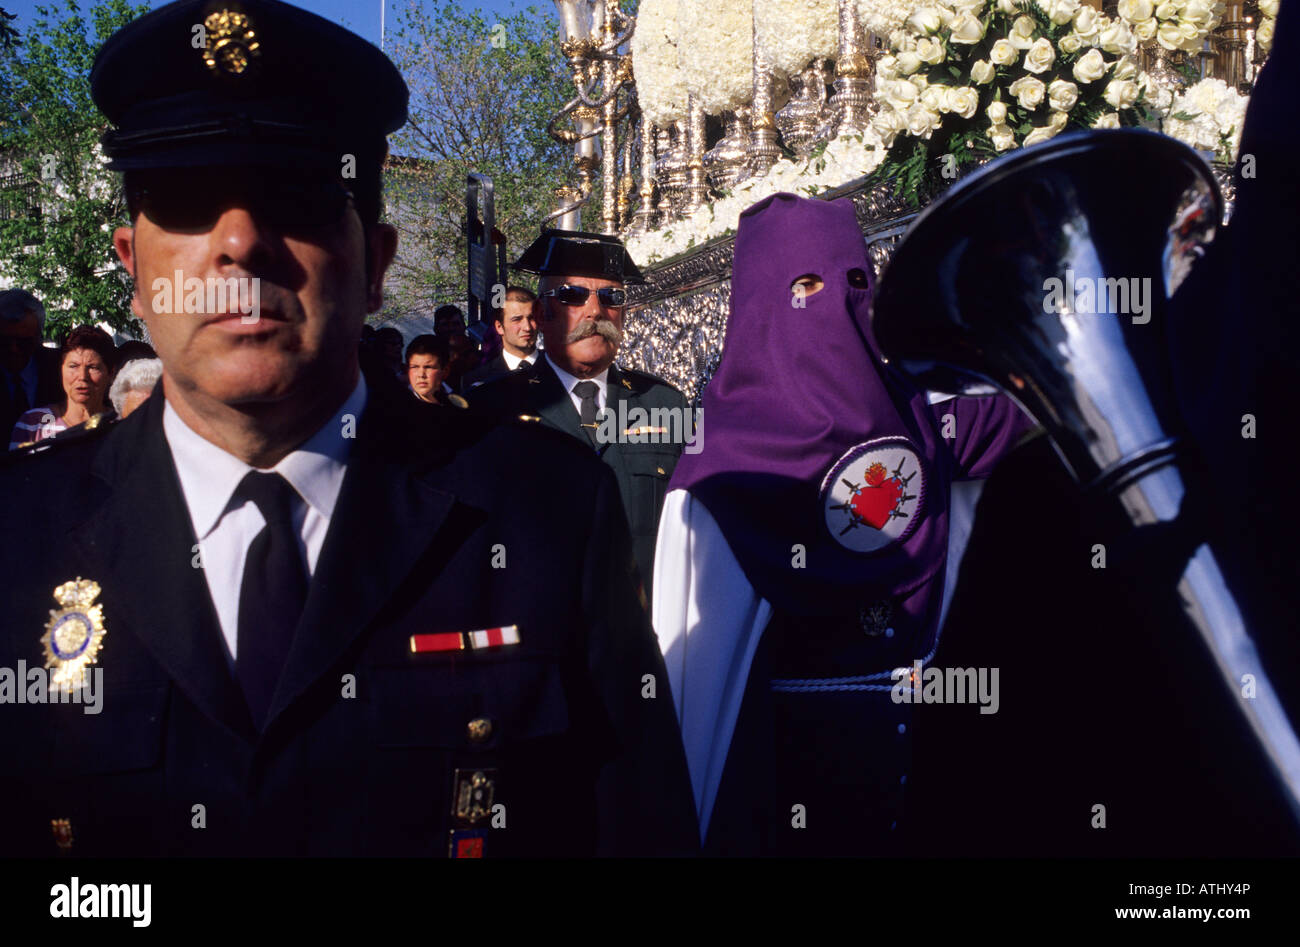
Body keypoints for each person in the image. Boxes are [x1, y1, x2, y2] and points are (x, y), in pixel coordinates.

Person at [0, 0, 696, 858]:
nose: (240, 243)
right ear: (133, 267)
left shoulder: (544, 509)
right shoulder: (18, 533)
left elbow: (636, 829)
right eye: (185, 197)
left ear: (375, 265)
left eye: (294, 194)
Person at [651, 193, 1034, 855]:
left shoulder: (918, 411)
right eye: (805, 285)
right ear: (761, 303)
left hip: (927, 759)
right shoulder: (720, 461)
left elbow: (1018, 416)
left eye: (858, 281)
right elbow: (699, 664)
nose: (837, 303)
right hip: (791, 783)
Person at [468, 230, 690, 601]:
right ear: (541, 314)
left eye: (611, 297)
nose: (595, 310)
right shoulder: (493, 408)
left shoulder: (664, 405)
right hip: (539, 635)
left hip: (646, 637)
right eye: (573, 296)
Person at [7, 324, 116, 450]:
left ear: (111, 373)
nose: (82, 376)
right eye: (73, 366)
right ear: (61, 369)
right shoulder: (33, 423)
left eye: (93, 367)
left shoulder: (122, 425)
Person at [0, 289, 62, 437]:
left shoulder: (63, 369)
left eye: (23, 342)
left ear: (39, 337)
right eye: (4, 341)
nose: (13, 349)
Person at [461, 286, 538, 390]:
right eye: (517, 319)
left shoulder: (560, 367)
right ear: (499, 327)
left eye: (532, 318)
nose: (527, 327)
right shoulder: (478, 380)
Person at [405, 333, 458, 406]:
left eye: (428, 367)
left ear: (445, 371)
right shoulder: (398, 405)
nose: (421, 375)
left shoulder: (456, 402)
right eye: (415, 367)